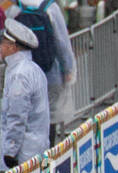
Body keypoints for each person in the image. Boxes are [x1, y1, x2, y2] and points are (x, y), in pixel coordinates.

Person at [13, 0, 76, 144]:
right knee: (48, 119)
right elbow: (62, 42)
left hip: (23, 75)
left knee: (26, 117)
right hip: (50, 73)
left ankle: (29, 160)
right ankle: (47, 158)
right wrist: (68, 69)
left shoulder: (16, 8)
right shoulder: (50, 8)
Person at [1, 20, 50, 168]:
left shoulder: (19, 76)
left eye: (3, 43)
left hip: (23, 157)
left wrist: (10, 153)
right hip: (39, 149)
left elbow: (17, 117)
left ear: (12, 47)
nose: (1, 48)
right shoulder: (34, 69)